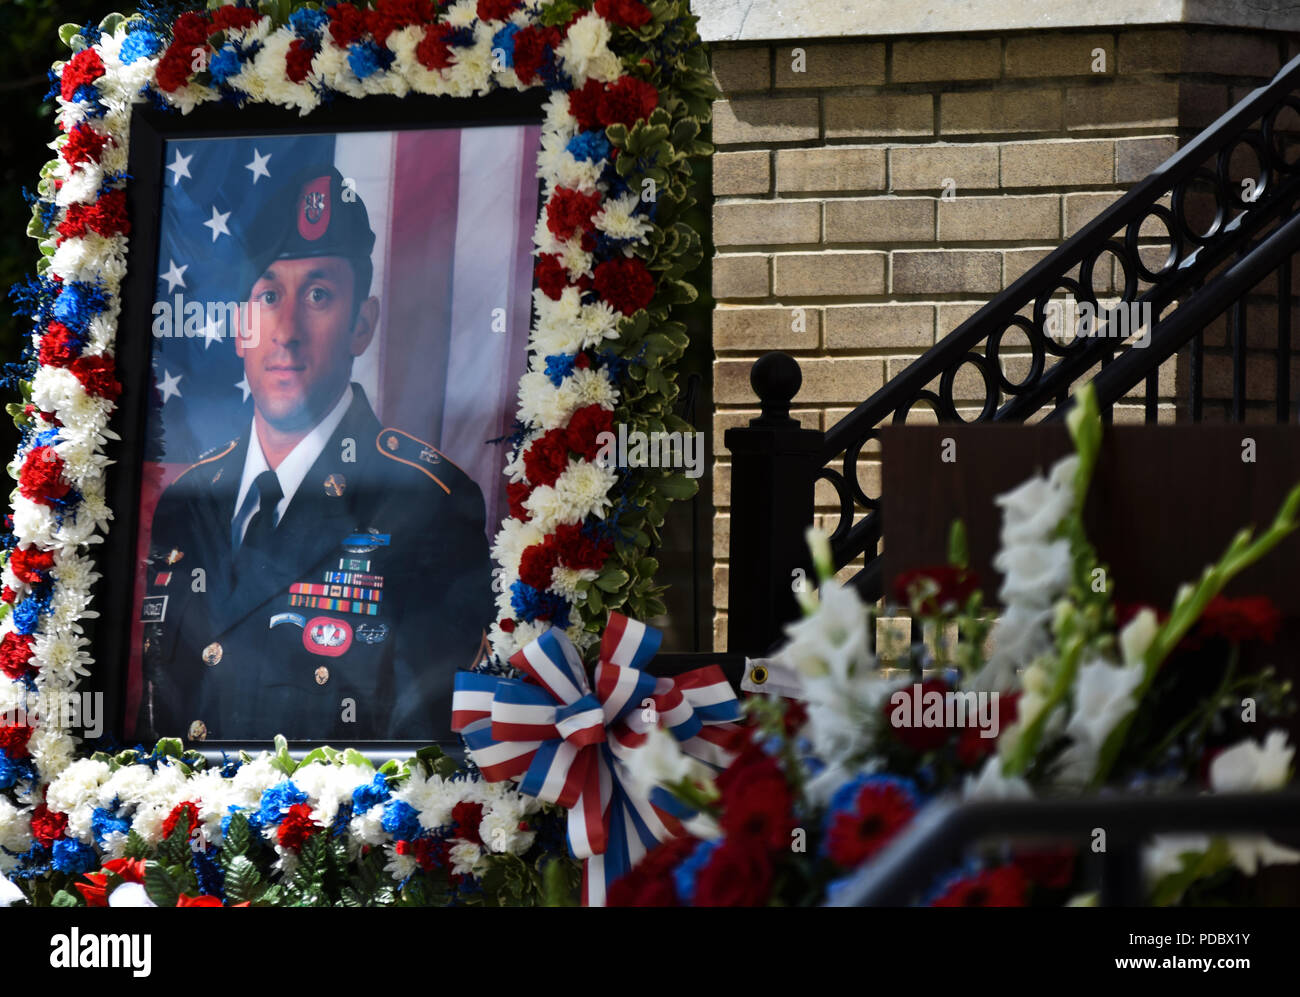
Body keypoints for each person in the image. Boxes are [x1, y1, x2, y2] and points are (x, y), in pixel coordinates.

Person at [139, 166, 493, 743]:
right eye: (268, 295)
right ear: (239, 327)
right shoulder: (189, 500)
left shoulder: (425, 505)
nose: (286, 330)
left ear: (362, 325)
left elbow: (426, 762)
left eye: (319, 295)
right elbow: (160, 717)